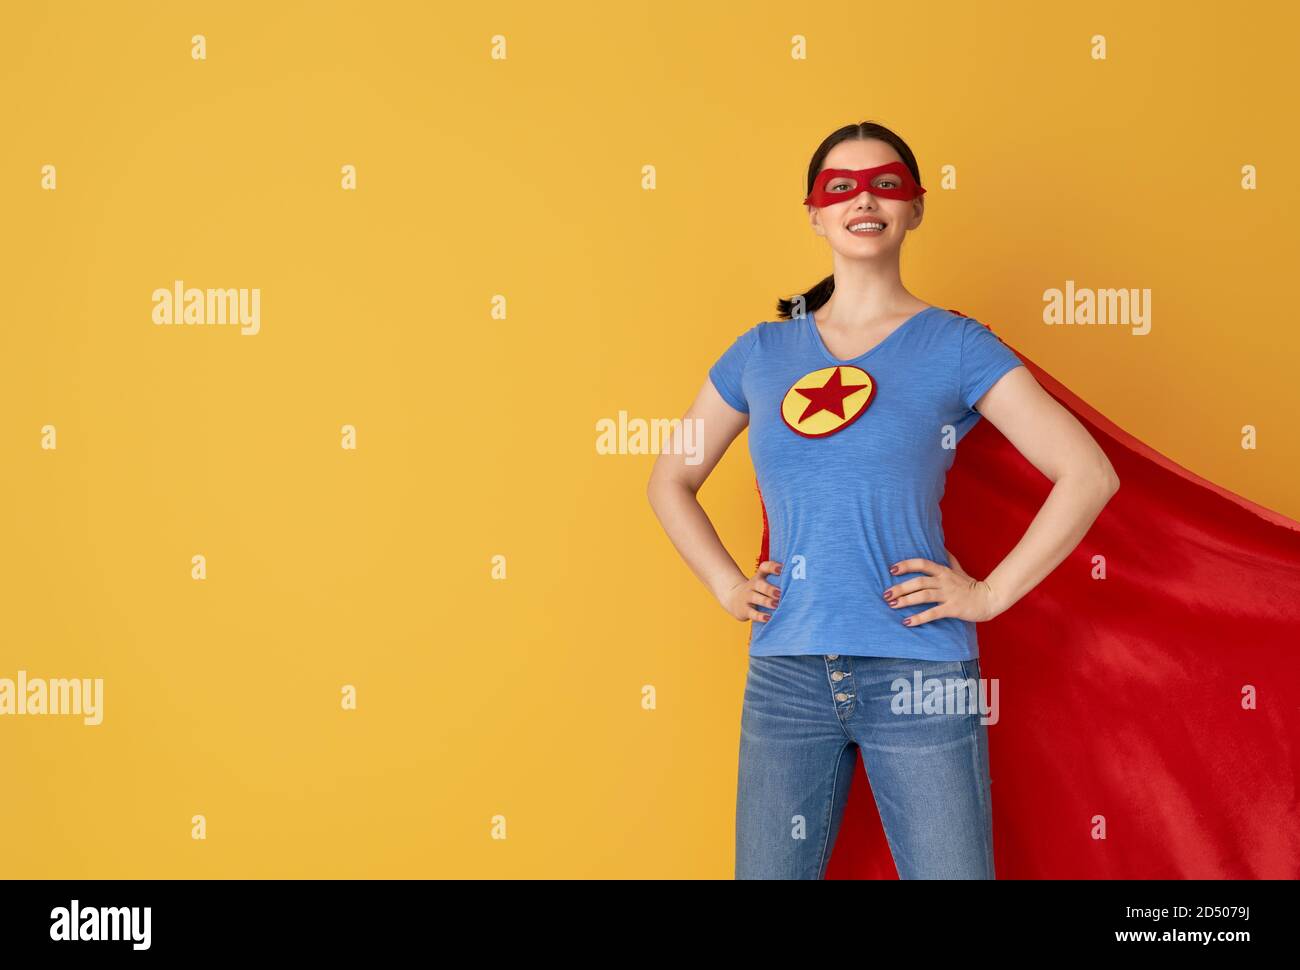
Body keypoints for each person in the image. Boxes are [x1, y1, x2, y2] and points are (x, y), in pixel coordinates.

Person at [646, 121, 1120, 879]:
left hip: (919, 673)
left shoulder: (956, 345)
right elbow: (669, 479)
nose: (863, 200)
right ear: (814, 213)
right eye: (840, 187)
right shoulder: (761, 352)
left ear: (916, 209)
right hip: (787, 676)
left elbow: (1088, 474)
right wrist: (726, 583)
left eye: (886, 184)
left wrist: (991, 594)